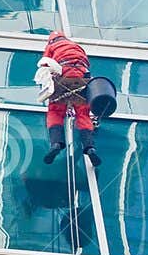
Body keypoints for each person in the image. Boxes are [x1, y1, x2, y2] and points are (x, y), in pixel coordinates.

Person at [38, 31, 102, 166]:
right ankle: (90, 147)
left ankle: (56, 143)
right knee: (83, 114)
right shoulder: (76, 46)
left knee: (55, 112)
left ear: (51, 40)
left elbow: (44, 65)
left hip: (63, 78)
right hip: (81, 78)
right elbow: (86, 63)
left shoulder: (51, 46)